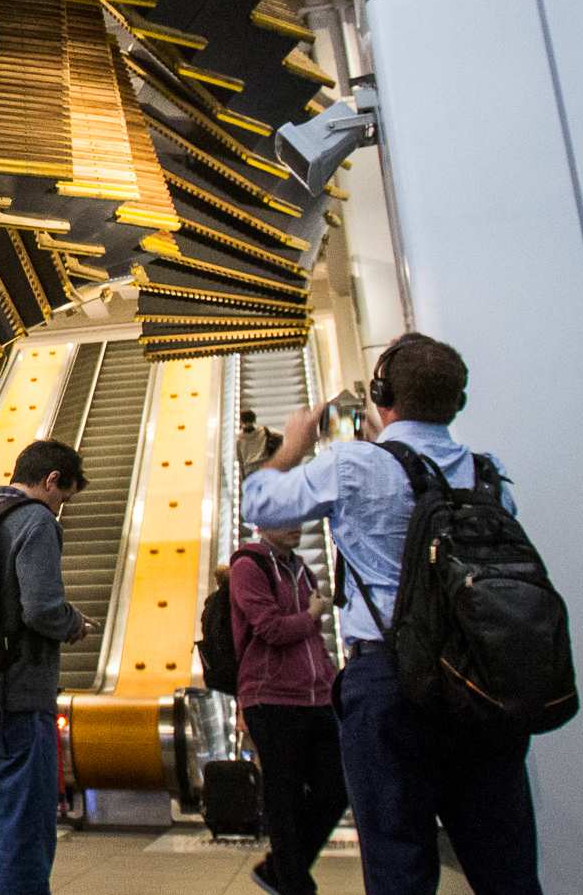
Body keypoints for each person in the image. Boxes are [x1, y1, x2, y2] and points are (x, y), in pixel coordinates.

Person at [243, 333, 539, 895]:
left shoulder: (353, 465)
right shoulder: (488, 473)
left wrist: (295, 445)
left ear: (381, 396)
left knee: (398, 865)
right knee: (507, 868)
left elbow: (258, 503)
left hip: (390, 683)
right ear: (458, 401)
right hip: (482, 681)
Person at [0, 439, 92, 895]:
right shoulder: (36, 522)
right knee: (26, 831)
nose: (60, 507)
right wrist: (74, 624)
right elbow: (42, 608)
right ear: (51, 480)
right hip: (20, 699)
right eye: (63, 497)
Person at [230, 524, 344, 895]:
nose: (298, 526)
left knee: (336, 787)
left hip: (317, 696)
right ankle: (293, 883)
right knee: (285, 795)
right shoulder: (249, 566)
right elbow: (270, 630)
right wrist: (312, 615)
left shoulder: (302, 570)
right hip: (271, 695)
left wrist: (329, 678)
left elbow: (309, 639)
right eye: (287, 518)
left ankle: (279, 870)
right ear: (263, 523)